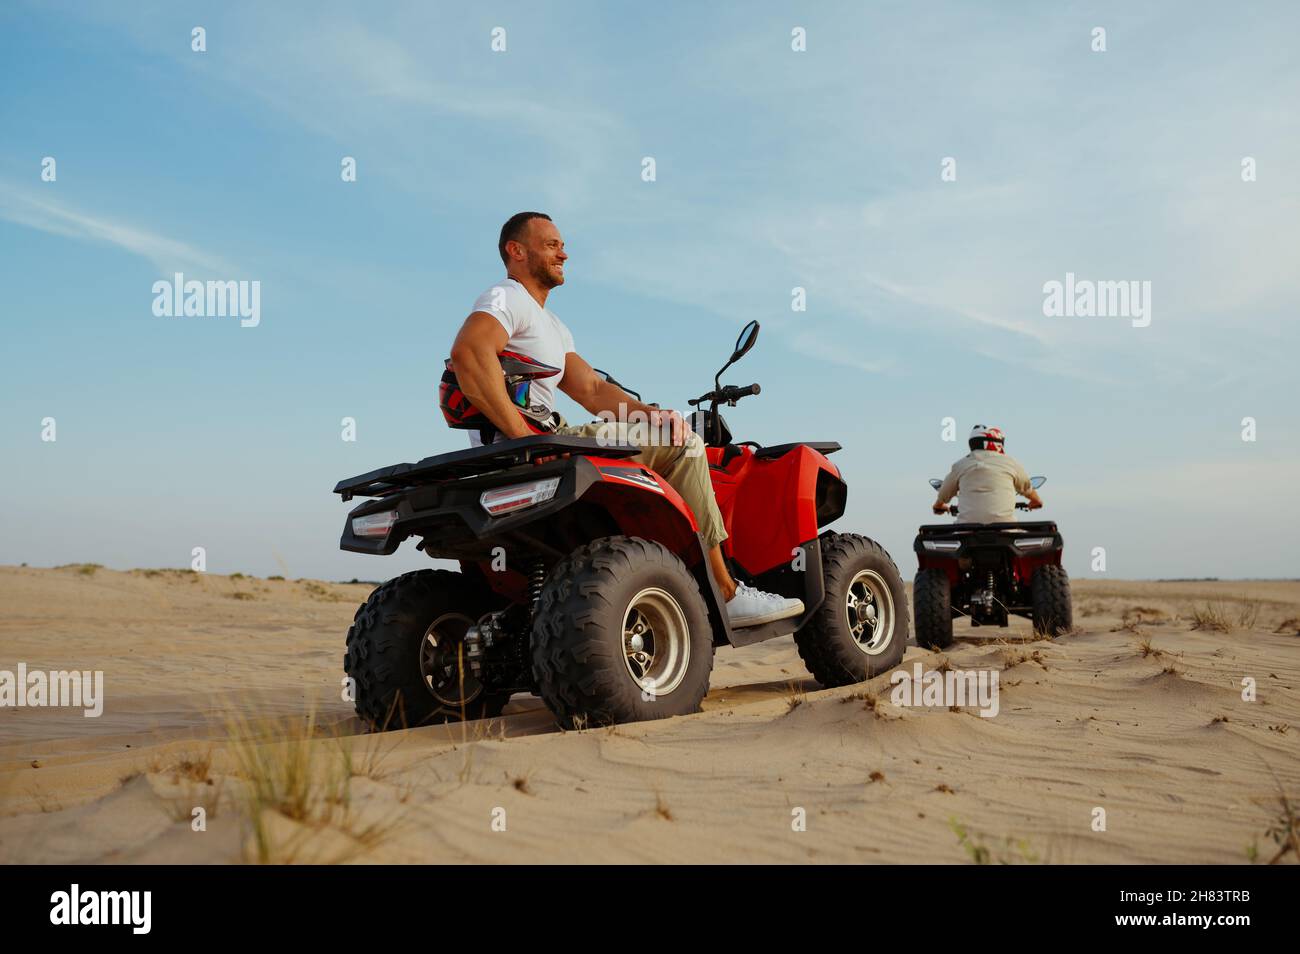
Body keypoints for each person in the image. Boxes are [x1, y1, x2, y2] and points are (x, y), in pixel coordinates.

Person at [445, 211, 802, 628]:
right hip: (539, 440)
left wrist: (654, 416)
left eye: (562, 244)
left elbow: (593, 391)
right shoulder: (507, 298)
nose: (564, 252)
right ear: (517, 251)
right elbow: (469, 353)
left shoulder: (552, 326)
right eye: (552, 244)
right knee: (686, 445)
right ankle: (726, 590)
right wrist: (525, 439)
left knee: (669, 433)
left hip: (536, 440)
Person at [933, 425, 1043, 523]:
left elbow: (944, 493)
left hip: (967, 530)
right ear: (997, 443)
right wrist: (1036, 500)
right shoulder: (1010, 463)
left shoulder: (960, 465)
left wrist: (938, 505)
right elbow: (1026, 487)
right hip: (1005, 528)